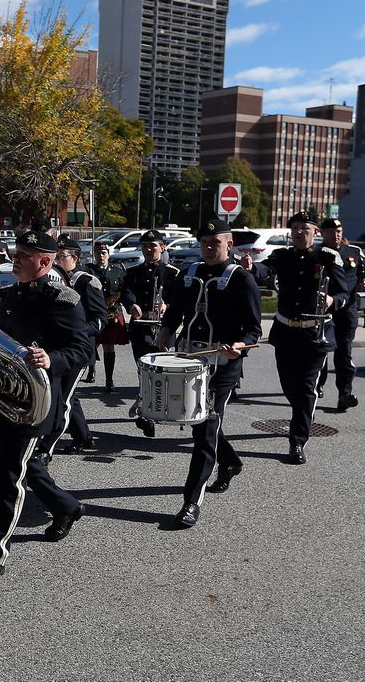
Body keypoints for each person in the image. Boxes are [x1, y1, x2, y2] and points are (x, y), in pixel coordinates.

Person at [0, 230, 93, 589]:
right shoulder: (7, 294)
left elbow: (83, 349)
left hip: (37, 402)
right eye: (16, 252)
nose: (15, 257)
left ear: (45, 261)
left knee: (9, 476)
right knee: (25, 464)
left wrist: (51, 358)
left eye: (24, 254)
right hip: (6, 396)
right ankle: (67, 506)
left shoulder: (63, 298)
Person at [156, 220, 263, 528]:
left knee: (204, 428)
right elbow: (175, 311)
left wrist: (241, 346)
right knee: (199, 423)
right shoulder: (188, 275)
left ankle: (191, 502)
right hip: (189, 361)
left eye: (215, 242)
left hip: (223, 366)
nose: (208, 247)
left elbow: (254, 330)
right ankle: (229, 461)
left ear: (229, 245)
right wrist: (165, 330)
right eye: (204, 241)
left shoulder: (242, 280)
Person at [259, 211, 354, 465]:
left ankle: (297, 441)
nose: (299, 232)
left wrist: (333, 300)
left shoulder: (327, 256)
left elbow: (346, 294)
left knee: (305, 388)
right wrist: (250, 267)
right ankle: (303, 413)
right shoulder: (282, 256)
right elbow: (263, 270)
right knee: (289, 385)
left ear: (315, 232)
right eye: (295, 228)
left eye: (305, 228)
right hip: (285, 331)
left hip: (315, 333)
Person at [37, 236, 107, 458]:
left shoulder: (86, 281)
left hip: (77, 349)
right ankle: (83, 437)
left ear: (75, 258)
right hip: (54, 349)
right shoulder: (49, 280)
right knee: (67, 397)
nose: (56, 259)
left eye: (61, 255)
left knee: (62, 401)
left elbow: (99, 319)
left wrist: (76, 330)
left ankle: (45, 448)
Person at [123, 230, 180, 437]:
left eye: (153, 246)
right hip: (141, 327)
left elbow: (179, 298)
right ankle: (146, 414)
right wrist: (131, 305)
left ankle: (155, 409)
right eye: (145, 246)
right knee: (143, 370)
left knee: (160, 373)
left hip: (163, 327)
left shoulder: (173, 273)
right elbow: (126, 292)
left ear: (162, 247)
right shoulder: (133, 272)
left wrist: (168, 303)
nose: (148, 250)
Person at [316, 218, 365, 410]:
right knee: (321, 352)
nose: (336, 234)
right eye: (331, 231)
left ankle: (344, 395)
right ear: (322, 233)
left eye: (339, 230)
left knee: (344, 354)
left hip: (347, 311)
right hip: (325, 311)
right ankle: (317, 385)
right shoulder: (318, 254)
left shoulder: (353, 252)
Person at [87, 241, 134, 391]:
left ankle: (109, 380)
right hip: (93, 313)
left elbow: (123, 290)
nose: (101, 256)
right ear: (94, 255)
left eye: (104, 253)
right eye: (98, 253)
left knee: (109, 347)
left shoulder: (117, 271)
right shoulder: (89, 270)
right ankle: (91, 370)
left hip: (111, 313)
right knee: (91, 344)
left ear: (108, 254)